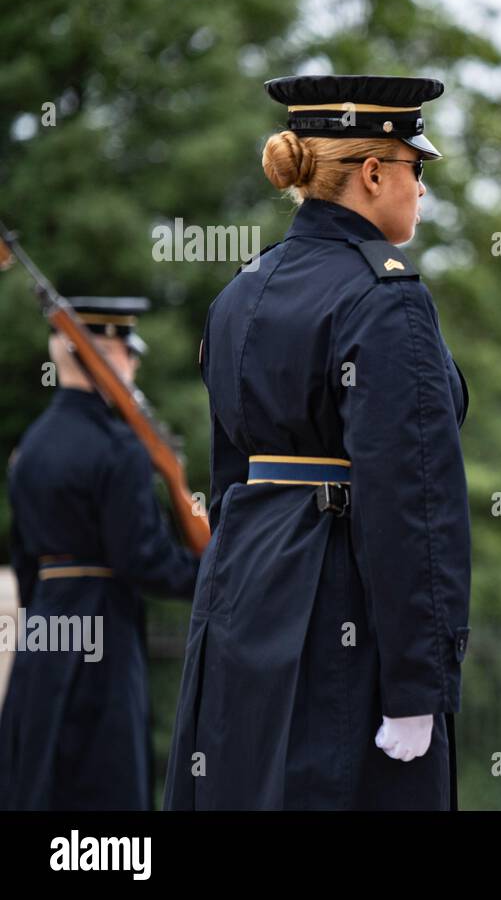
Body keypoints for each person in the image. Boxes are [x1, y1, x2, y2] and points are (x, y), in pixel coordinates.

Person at [163, 75, 471, 810]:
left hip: (242, 596)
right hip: (343, 600)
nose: (421, 190)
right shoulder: (385, 295)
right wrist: (417, 682)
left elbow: (230, 479)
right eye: (414, 168)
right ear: (372, 172)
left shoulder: (241, 290)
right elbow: (412, 499)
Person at [0, 297, 200, 809]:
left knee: (38, 783)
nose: (134, 364)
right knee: (106, 799)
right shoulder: (120, 448)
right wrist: (214, 572)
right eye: (128, 352)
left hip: (42, 639)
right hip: (104, 640)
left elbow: (25, 563)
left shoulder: (29, 449)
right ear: (103, 356)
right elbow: (143, 559)